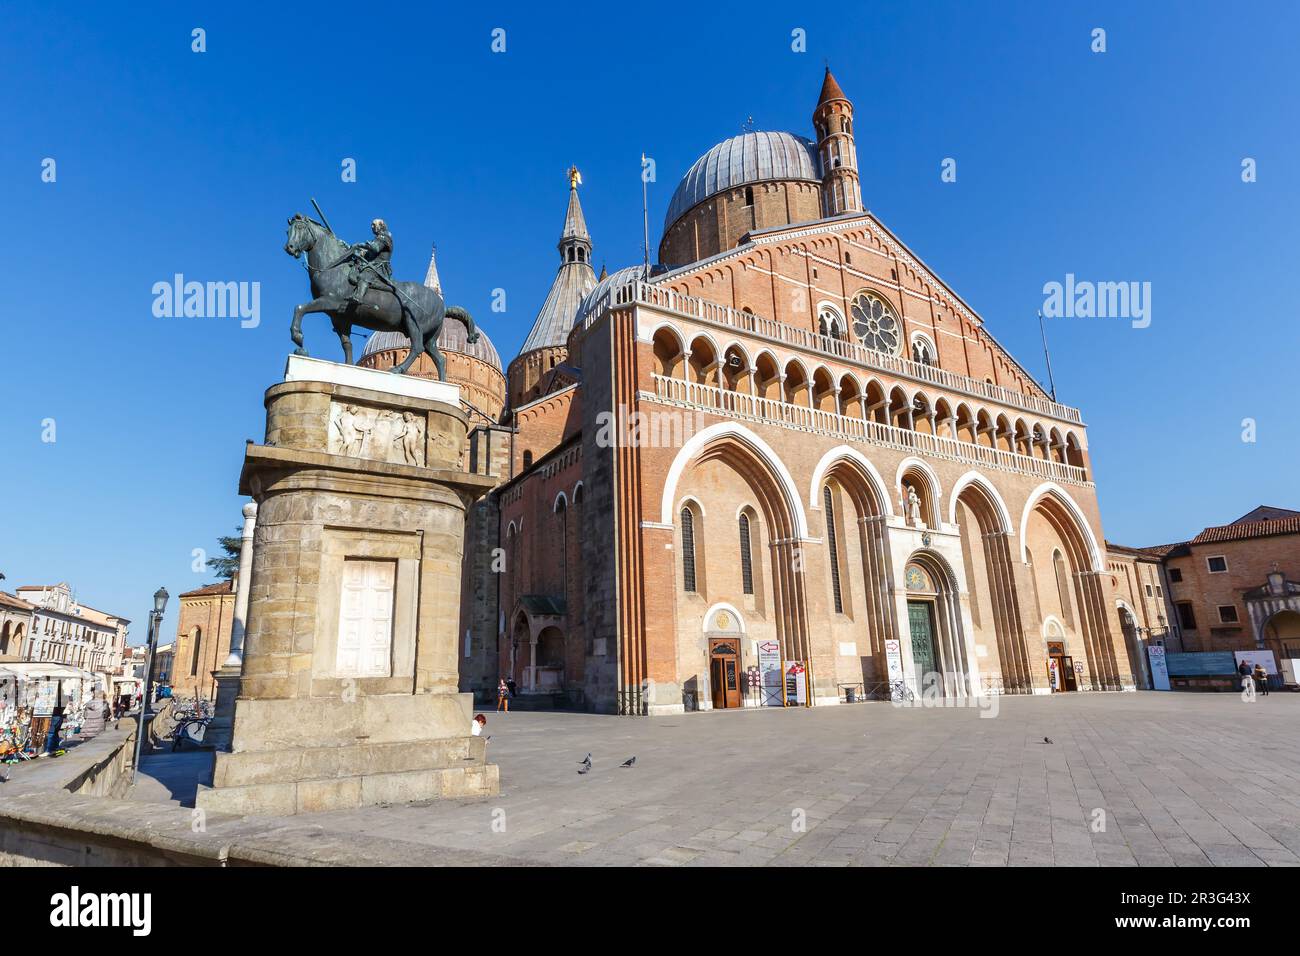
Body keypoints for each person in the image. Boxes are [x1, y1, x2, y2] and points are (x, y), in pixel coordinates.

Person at [346, 218, 394, 304]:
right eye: (372, 225)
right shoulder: (377, 238)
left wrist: (359, 244)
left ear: (381, 226)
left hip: (379, 267)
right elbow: (368, 252)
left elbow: (375, 248)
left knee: (365, 275)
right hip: (371, 264)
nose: (372, 227)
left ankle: (358, 297)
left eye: (374, 225)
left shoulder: (385, 237)